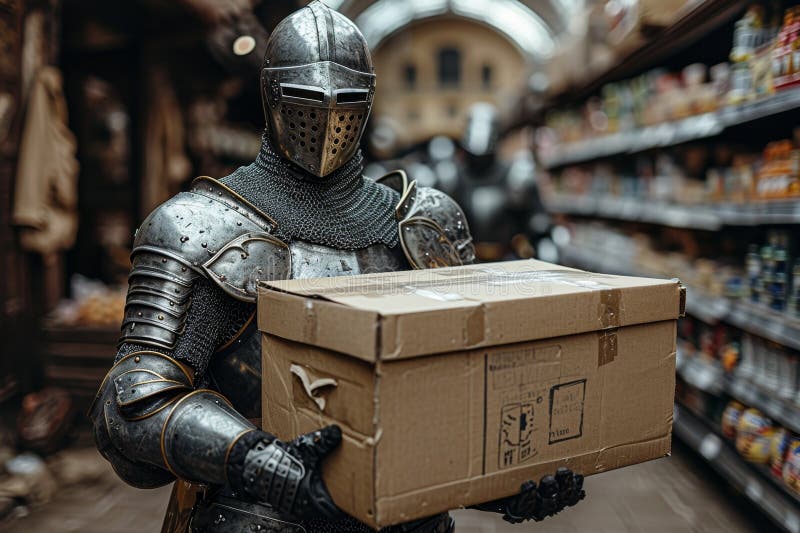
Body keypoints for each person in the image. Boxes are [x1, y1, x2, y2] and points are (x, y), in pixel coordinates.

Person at [89, 3, 584, 532]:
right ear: (271, 96)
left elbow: (450, 400)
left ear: (368, 103)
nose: (325, 120)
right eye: (305, 101)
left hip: (406, 515)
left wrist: (503, 479)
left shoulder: (424, 226)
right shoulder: (201, 227)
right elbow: (131, 401)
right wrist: (254, 459)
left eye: (345, 102)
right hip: (258, 516)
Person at [455, 103, 550, 262]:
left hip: (508, 259)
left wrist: (543, 243)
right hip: (462, 262)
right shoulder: (452, 176)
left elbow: (537, 220)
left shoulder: (517, 175)